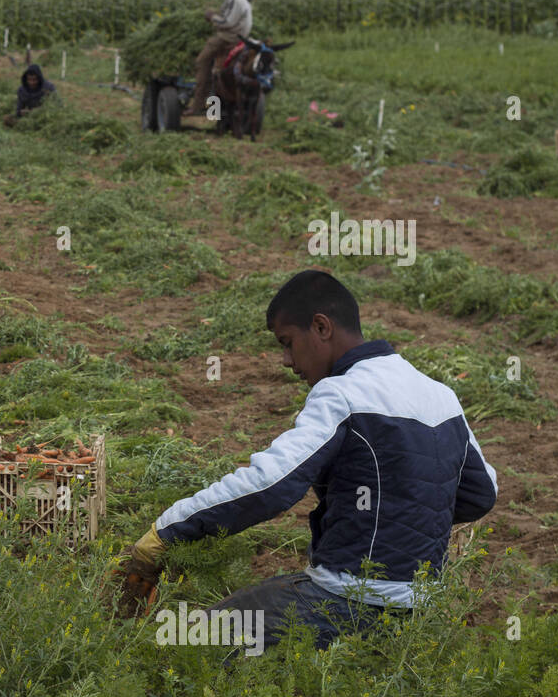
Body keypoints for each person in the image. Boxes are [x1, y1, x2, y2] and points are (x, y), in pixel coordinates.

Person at [112, 270, 498, 650]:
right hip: (420, 609)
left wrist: (168, 531)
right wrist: (402, 513)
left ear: (321, 327)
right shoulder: (441, 395)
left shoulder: (342, 394)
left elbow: (272, 485)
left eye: (287, 342)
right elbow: (482, 493)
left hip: (347, 600)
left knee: (187, 641)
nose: (285, 360)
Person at [183, 0, 253, 120]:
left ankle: (198, 104)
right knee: (217, 66)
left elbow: (227, 22)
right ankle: (216, 104)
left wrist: (211, 17)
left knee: (202, 61)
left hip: (229, 37)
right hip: (240, 36)